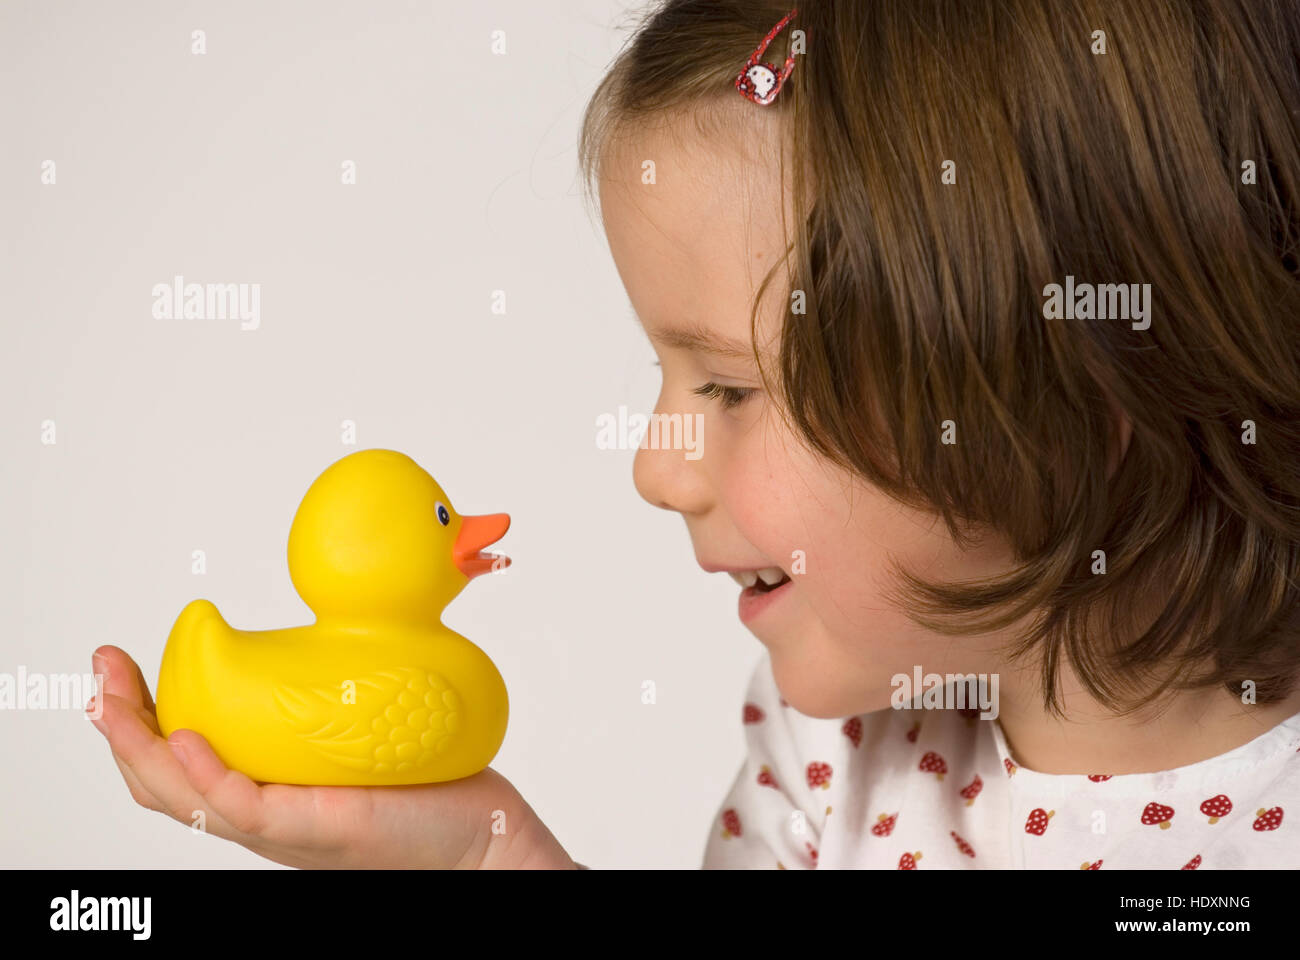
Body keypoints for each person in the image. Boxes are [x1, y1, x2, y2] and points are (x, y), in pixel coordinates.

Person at [90, 0, 1300, 868]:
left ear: (1092, 398)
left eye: (726, 388)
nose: (655, 466)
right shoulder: (829, 749)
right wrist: (480, 854)